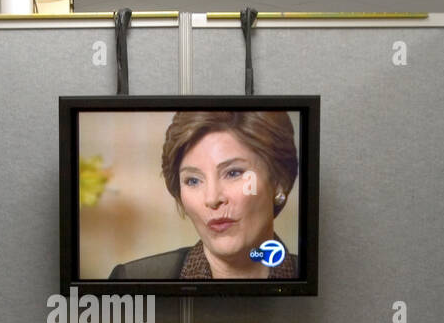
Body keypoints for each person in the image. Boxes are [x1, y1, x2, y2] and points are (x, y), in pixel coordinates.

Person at [108, 110, 300, 280]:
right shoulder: (133, 279)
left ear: (278, 182)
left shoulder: (321, 287)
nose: (212, 198)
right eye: (193, 180)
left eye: (233, 173)